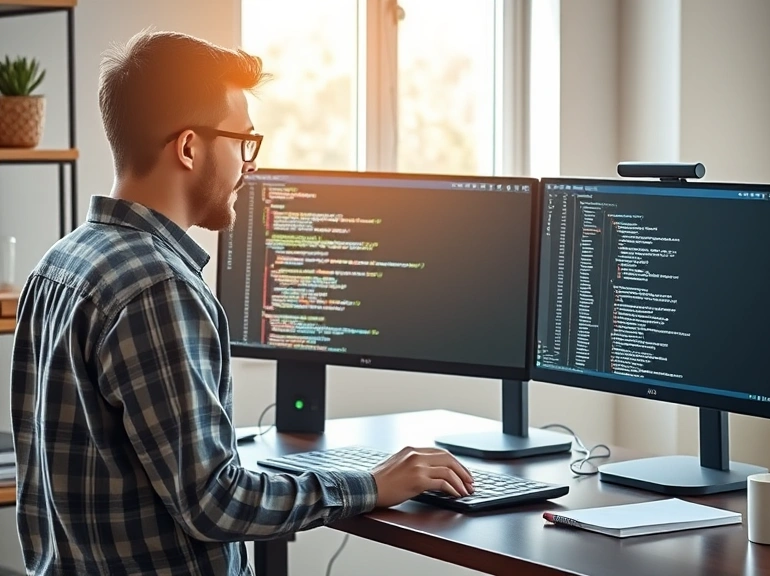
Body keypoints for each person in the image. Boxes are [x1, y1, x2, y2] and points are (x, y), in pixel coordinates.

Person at [10, 29, 473, 576]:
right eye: (243, 142)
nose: (249, 165)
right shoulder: (158, 288)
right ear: (188, 147)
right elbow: (216, 503)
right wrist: (371, 484)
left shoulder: (59, 264)